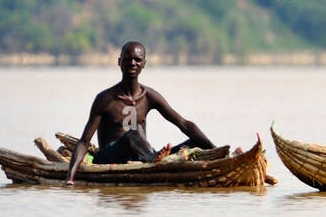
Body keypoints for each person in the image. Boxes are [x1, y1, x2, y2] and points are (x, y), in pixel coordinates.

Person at [63, 41, 217, 184]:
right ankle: (153, 158)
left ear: (144, 64)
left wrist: (215, 149)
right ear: (119, 62)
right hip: (109, 157)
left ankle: (218, 154)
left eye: (137, 60)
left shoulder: (149, 96)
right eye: (127, 59)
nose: (132, 63)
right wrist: (70, 178)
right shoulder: (105, 98)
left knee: (195, 142)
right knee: (135, 129)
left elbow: (184, 124)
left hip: (142, 158)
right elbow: (84, 142)